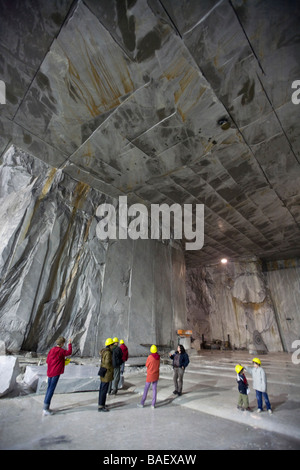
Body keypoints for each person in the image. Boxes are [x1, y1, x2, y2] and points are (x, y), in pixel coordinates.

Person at [43, 336, 72, 416]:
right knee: (51, 390)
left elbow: (47, 361)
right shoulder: (61, 351)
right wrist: (70, 344)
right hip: (56, 372)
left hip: (50, 372)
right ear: (62, 344)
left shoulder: (51, 350)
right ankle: (45, 409)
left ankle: (45, 407)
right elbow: (69, 352)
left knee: (49, 388)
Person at [137, 344, 160, 409]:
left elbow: (147, 364)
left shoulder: (150, 357)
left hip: (150, 375)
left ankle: (142, 403)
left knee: (146, 389)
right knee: (154, 389)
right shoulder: (158, 357)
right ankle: (153, 404)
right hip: (156, 374)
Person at [98, 338, 114, 412]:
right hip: (106, 372)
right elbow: (107, 362)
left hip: (103, 371)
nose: (113, 346)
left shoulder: (104, 351)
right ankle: (101, 407)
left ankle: (101, 404)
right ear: (110, 345)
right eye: (112, 345)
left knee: (102, 389)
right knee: (104, 390)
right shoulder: (108, 353)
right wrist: (111, 368)